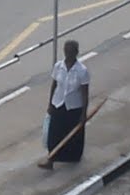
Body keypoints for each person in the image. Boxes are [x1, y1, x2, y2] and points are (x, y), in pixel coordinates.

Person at [39, 39, 91, 169]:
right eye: (66, 51)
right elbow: (54, 85)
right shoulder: (58, 66)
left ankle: (72, 157)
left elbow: (85, 94)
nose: (68, 54)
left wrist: (84, 113)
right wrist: (50, 104)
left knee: (73, 135)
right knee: (54, 133)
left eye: (71, 52)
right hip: (58, 104)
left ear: (76, 53)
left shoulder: (82, 71)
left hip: (73, 108)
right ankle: (51, 159)